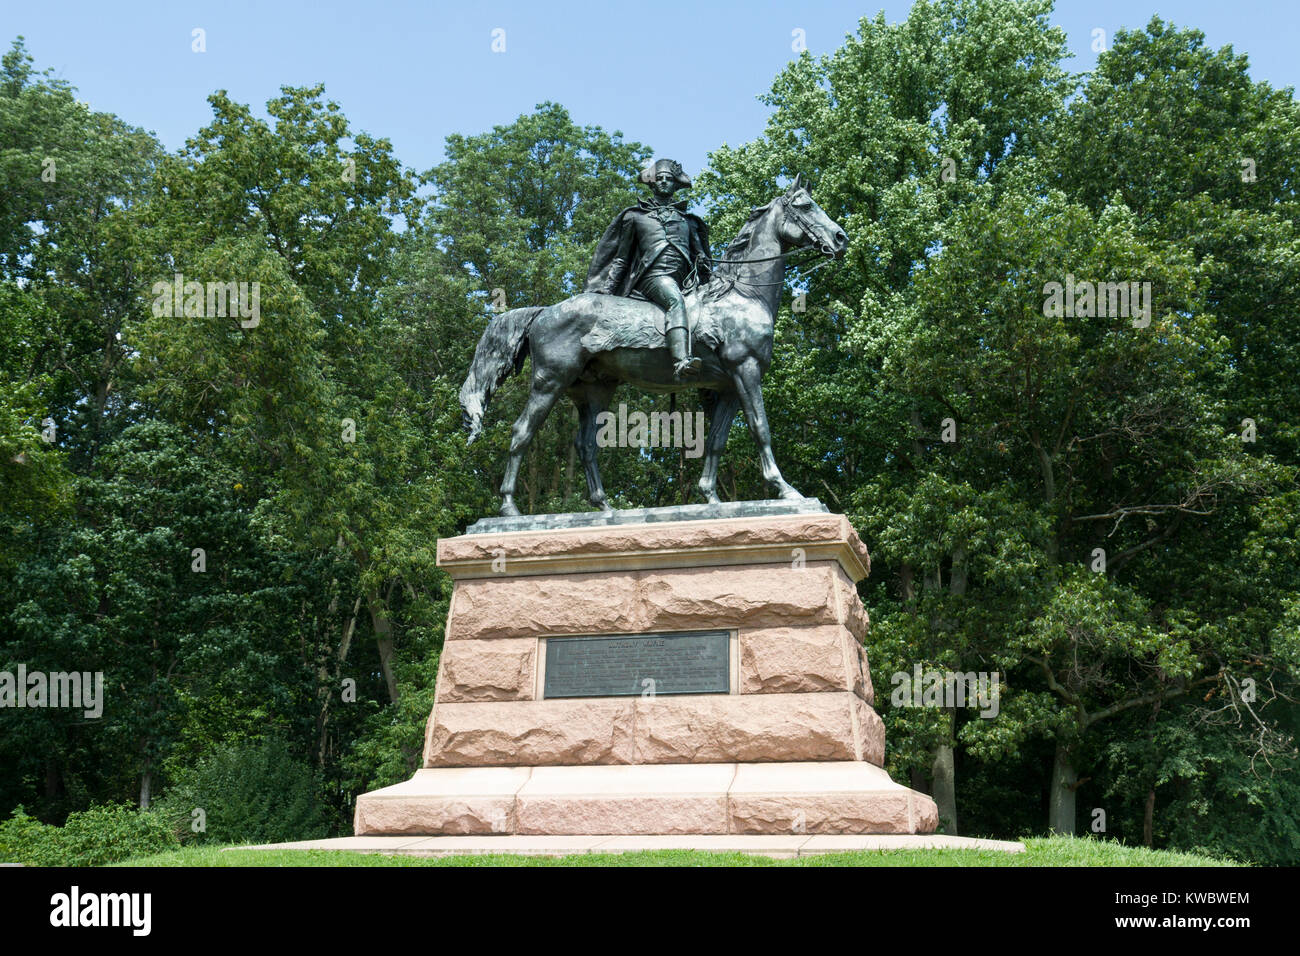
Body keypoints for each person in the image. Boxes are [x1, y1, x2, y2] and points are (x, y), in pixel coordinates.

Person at [585, 159, 712, 379]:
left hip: (687, 281)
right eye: (659, 179)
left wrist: (703, 264)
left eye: (669, 179)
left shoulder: (689, 221)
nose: (663, 182)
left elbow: (701, 256)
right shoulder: (635, 217)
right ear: (652, 185)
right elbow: (621, 259)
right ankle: (681, 361)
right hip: (654, 278)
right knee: (674, 301)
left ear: (675, 185)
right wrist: (607, 291)